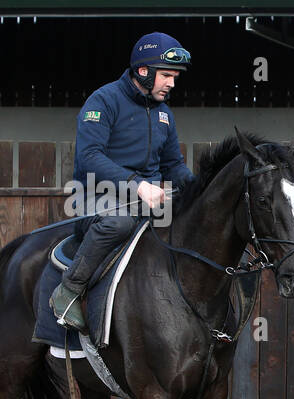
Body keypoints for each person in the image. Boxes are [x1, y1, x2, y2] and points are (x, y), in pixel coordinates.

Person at [50, 32, 195, 331]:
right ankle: (68, 290)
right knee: (119, 222)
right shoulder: (103, 101)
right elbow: (89, 157)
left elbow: (173, 165)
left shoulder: (165, 114)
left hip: (148, 202)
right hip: (94, 198)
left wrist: (198, 190)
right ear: (143, 71)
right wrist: (138, 185)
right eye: (166, 75)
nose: (171, 83)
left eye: (174, 77)